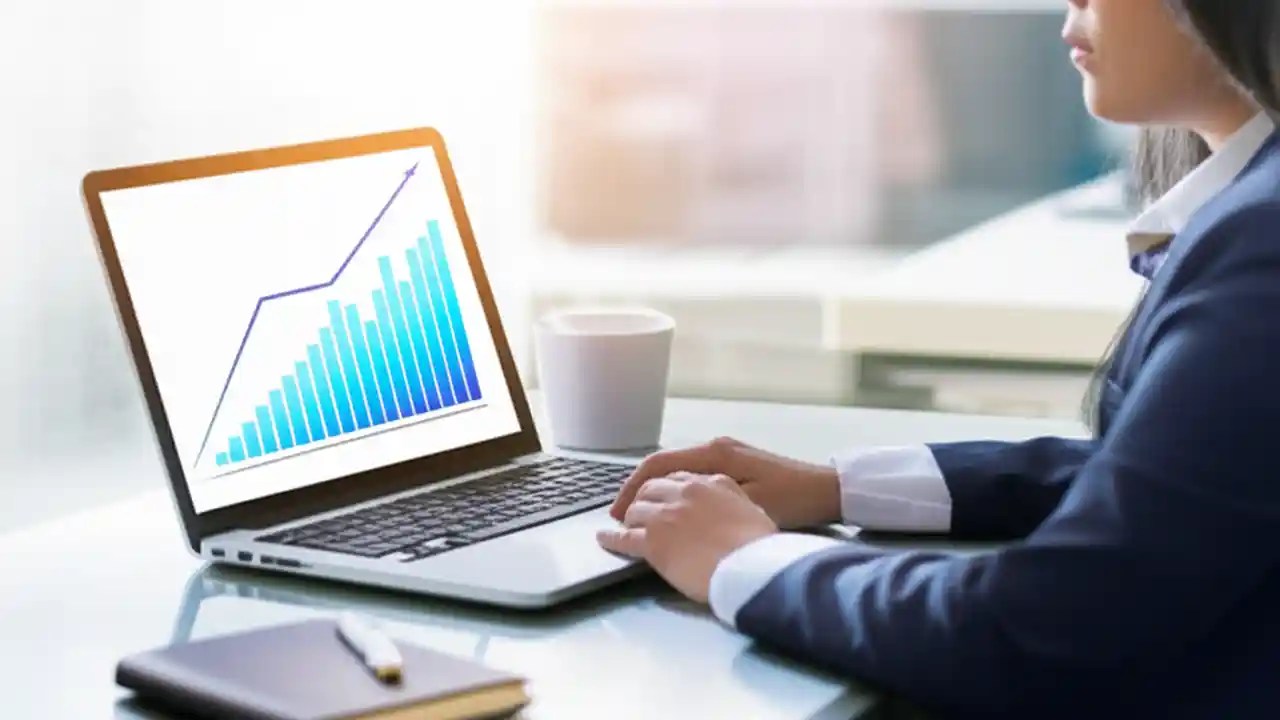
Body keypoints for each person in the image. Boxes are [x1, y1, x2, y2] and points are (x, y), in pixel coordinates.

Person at [598, 1, 1280, 717]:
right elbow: (1178, 489)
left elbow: (1043, 628)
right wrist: (837, 488)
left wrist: (742, 560)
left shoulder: (1261, 248)